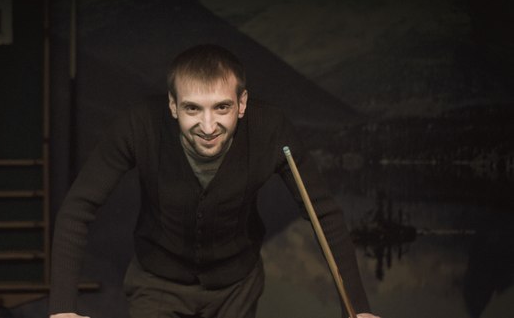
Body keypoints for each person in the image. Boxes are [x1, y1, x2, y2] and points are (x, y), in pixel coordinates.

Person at [49, 44, 379, 318]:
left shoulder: (271, 129)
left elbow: (324, 214)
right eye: (193, 109)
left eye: (221, 107)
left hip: (237, 286)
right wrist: (62, 309)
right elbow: (78, 208)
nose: (208, 127)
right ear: (173, 105)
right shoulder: (139, 125)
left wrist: (357, 310)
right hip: (157, 283)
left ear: (242, 103)